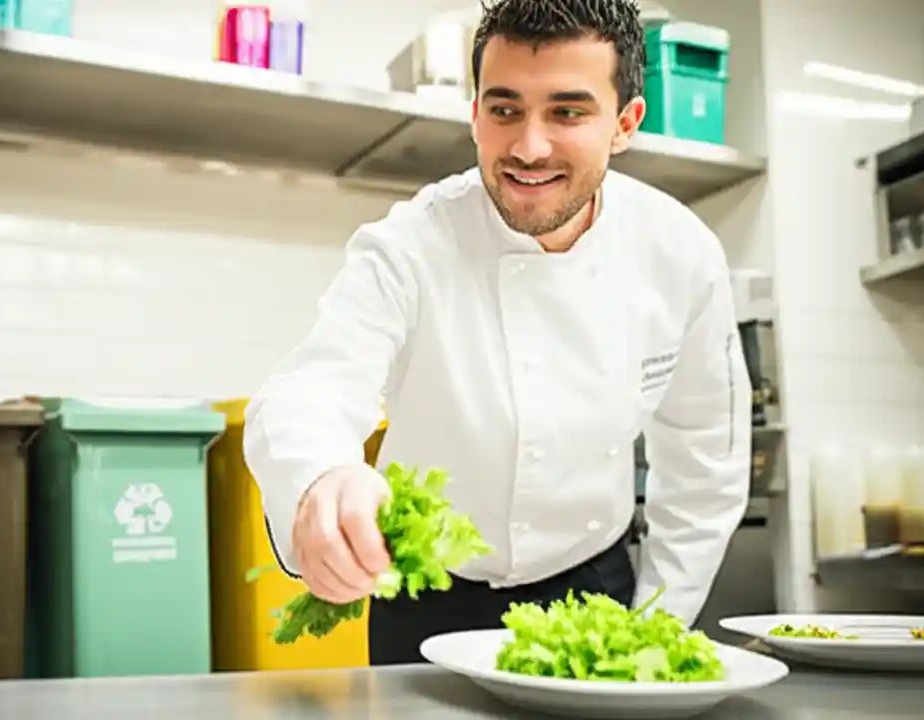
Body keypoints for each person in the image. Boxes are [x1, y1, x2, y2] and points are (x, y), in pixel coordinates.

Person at [243, 0, 751, 666]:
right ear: (475, 111)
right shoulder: (411, 244)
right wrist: (320, 481)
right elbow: (312, 388)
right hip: (427, 602)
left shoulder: (680, 254)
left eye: (567, 112)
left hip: (594, 591)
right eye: (505, 109)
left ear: (625, 123)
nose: (529, 147)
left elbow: (704, 463)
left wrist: (653, 628)